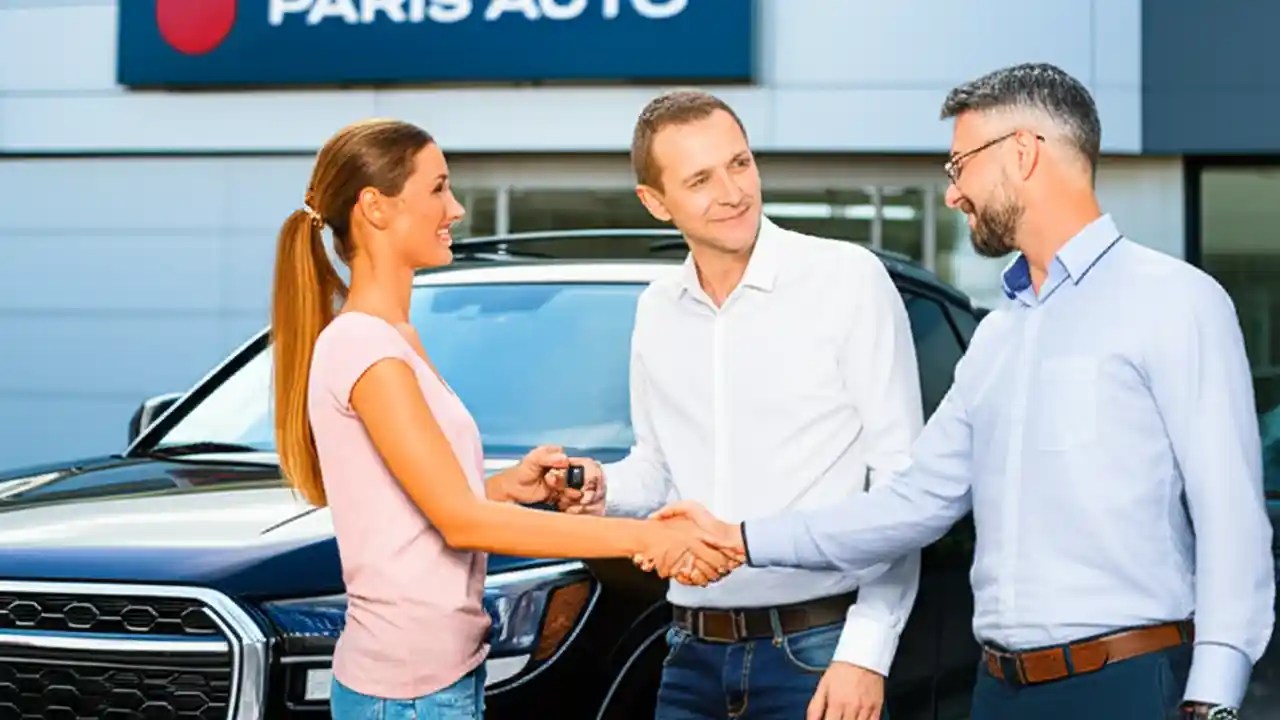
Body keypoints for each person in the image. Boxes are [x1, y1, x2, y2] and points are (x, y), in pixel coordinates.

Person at [653, 64, 1276, 720]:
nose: (952, 194)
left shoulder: (1175, 301)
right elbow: (912, 503)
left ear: (1023, 153)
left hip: (1125, 685)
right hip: (997, 691)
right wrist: (738, 538)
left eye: (960, 166)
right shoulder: (998, 336)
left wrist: (1211, 700)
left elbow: (1230, 518)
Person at [268, 118, 739, 720]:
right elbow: (461, 523)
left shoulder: (392, 338)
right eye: (437, 188)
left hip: (430, 681)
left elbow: (409, 510)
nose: (456, 209)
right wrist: (647, 537)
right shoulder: (366, 348)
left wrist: (506, 488)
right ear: (375, 208)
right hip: (409, 694)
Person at [589, 89, 925, 720]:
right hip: (687, 653)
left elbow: (901, 487)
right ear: (656, 203)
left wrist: (865, 653)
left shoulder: (846, 279)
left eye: (739, 164)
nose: (733, 191)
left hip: (816, 652)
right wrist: (593, 488)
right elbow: (659, 472)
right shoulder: (657, 308)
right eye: (700, 179)